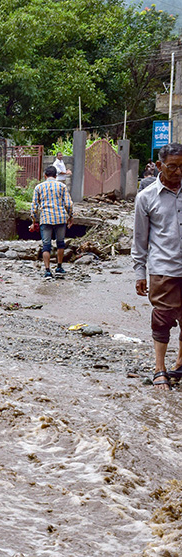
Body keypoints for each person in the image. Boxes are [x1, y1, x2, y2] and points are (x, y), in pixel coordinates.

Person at [133, 142, 182, 391]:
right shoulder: (146, 197)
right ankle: (159, 368)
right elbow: (140, 239)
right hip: (163, 269)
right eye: (172, 167)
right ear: (160, 166)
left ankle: (180, 363)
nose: (178, 172)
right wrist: (139, 272)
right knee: (162, 319)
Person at [30, 165, 74, 279]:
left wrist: (34, 221)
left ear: (45, 175)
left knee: (46, 245)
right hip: (60, 218)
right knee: (60, 243)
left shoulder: (38, 187)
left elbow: (34, 207)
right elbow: (69, 204)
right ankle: (59, 266)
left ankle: (47, 270)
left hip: (45, 218)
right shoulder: (62, 186)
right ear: (56, 176)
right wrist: (70, 216)